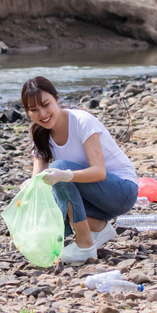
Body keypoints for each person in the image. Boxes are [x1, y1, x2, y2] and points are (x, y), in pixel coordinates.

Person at [21, 76, 139, 264]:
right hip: (94, 201)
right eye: (34, 110)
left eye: (46, 104)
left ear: (56, 98)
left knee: (58, 168)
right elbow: (37, 179)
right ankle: (99, 228)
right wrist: (29, 189)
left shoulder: (82, 121)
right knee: (47, 204)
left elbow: (99, 172)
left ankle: (85, 246)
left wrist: (65, 175)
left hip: (121, 192)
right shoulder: (40, 134)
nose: (42, 114)